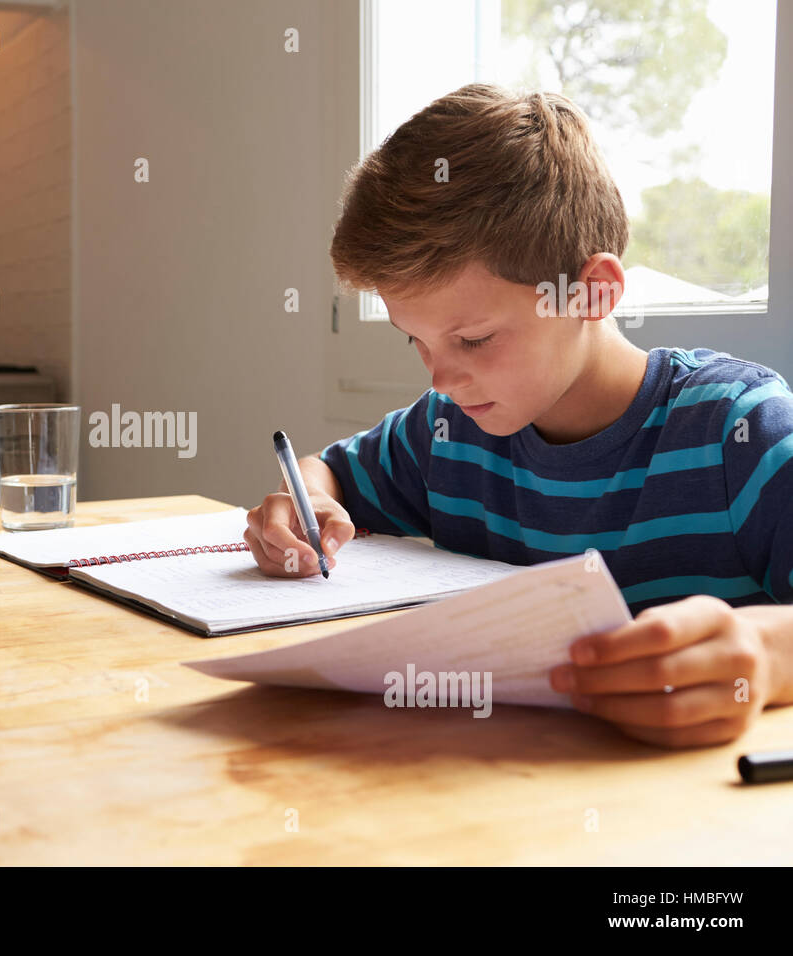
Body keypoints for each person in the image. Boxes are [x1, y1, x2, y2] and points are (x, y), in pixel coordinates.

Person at [245, 84, 793, 748]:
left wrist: (764, 658)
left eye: (472, 340)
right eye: (413, 339)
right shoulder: (449, 434)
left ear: (593, 292)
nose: (440, 378)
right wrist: (297, 506)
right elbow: (328, 475)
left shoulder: (739, 432)